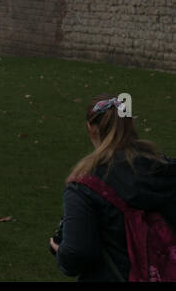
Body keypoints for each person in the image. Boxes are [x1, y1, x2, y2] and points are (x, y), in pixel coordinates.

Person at [52, 94, 176, 280]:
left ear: (91, 129)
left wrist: (59, 249)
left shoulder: (85, 184)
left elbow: (77, 252)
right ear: (130, 125)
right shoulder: (164, 170)